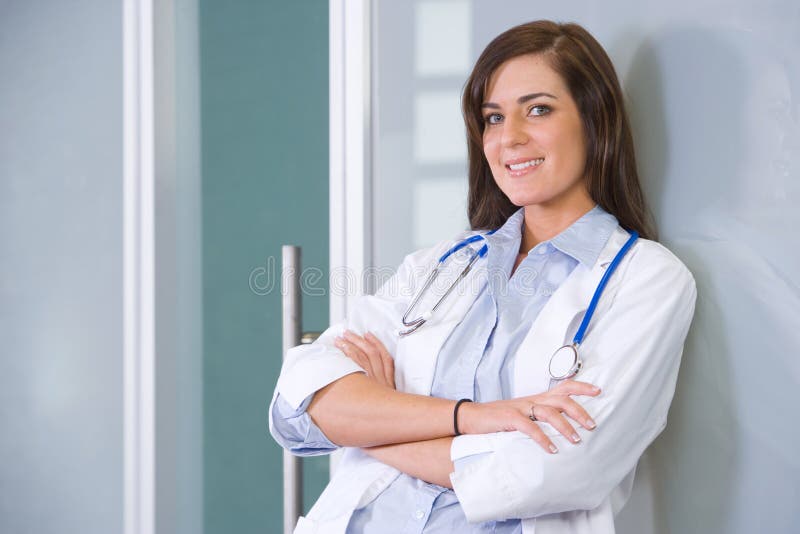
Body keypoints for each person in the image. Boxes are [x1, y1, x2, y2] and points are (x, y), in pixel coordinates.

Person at [269, 19, 696, 534]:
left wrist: (376, 423)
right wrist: (473, 418)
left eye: (537, 109)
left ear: (594, 119)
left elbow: (552, 471)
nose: (509, 138)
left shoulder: (648, 280)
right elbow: (297, 408)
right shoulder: (443, 263)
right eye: (493, 118)